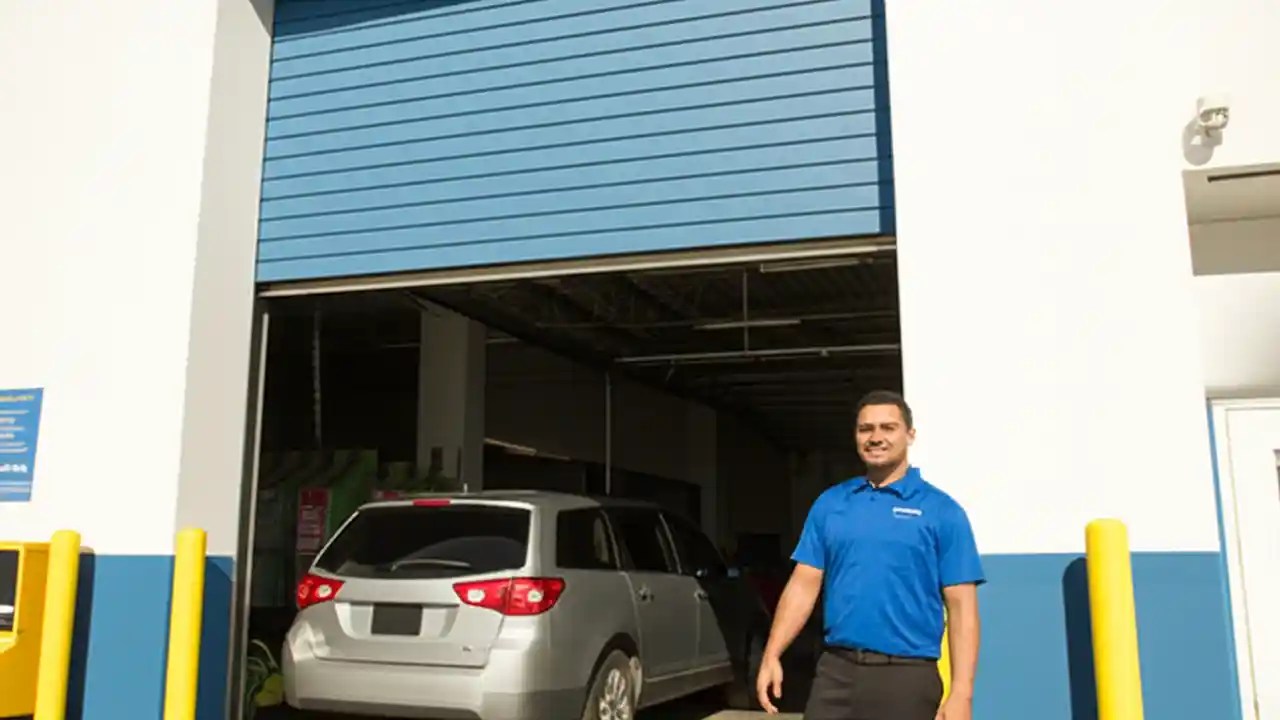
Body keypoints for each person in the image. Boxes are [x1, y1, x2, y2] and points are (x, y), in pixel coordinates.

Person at [755, 390, 984, 720]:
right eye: (866, 429)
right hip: (835, 672)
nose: (876, 437)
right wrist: (772, 654)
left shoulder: (942, 512)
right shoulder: (831, 504)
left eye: (888, 427)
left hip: (906, 677)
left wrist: (962, 692)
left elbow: (962, 606)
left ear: (910, 435)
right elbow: (804, 584)